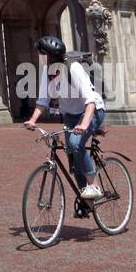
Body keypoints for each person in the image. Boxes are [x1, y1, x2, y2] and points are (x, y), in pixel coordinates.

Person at [23, 35, 106, 201]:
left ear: (50, 55)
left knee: (76, 144)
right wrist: (33, 120)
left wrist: (84, 124)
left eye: (42, 54)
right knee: (71, 154)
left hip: (92, 110)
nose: (40, 58)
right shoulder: (49, 71)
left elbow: (89, 100)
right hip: (70, 115)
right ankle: (85, 198)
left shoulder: (73, 68)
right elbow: (43, 99)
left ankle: (94, 186)